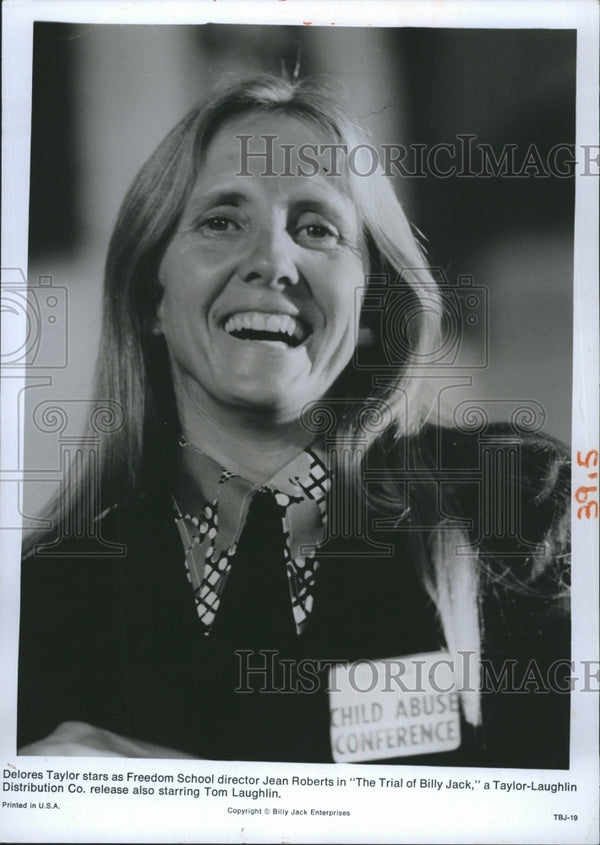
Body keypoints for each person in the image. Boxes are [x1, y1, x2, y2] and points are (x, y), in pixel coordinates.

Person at [17, 73, 570, 766]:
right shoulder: (42, 603)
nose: (273, 262)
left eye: (316, 227)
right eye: (221, 221)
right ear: (149, 299)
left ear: (373, 307)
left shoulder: (513, 505)